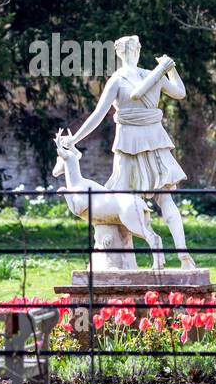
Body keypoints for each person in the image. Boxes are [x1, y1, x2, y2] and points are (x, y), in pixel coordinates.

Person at [61, 35, 195, 267]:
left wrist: (75, 138)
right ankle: (178, 257)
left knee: (120, 199)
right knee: (163, 200)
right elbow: (178, 92)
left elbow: (99, 114)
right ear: (139, 50)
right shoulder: (150, 75)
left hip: (134, 142)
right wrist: (167, 70)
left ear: (118, 53)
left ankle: (128, 261)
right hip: (151, 140)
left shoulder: (122, 78)